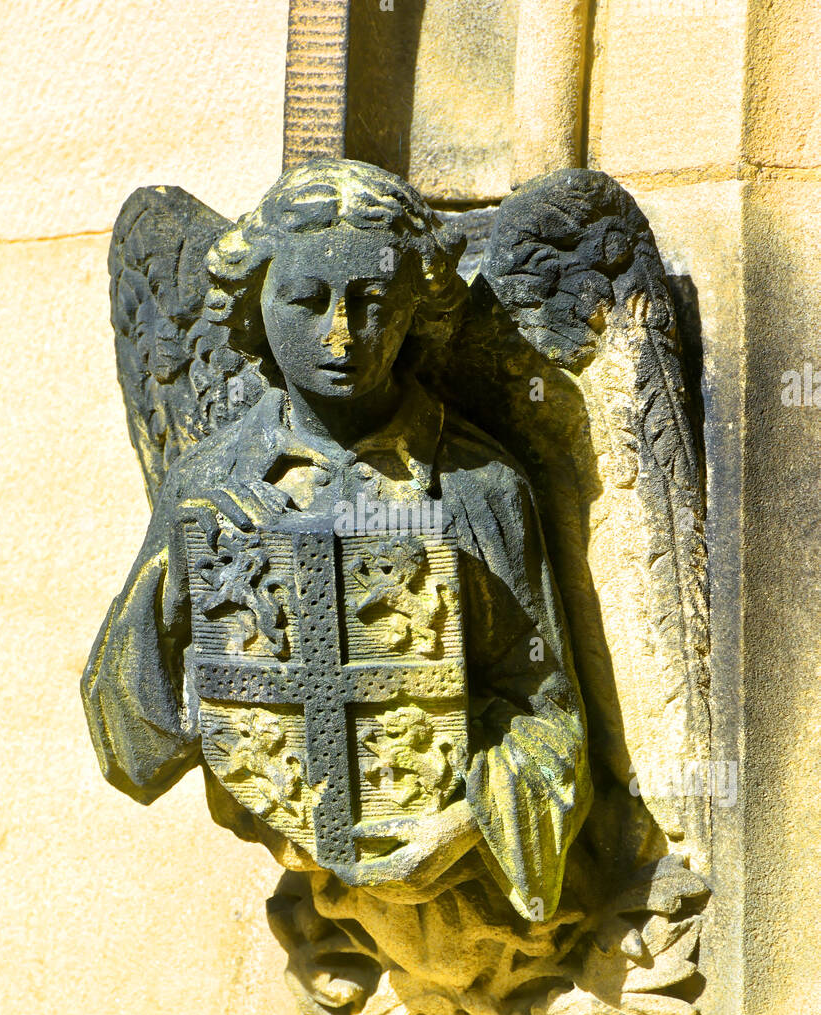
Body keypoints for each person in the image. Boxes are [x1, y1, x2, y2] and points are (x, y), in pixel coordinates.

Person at [82, 158, 592, 925]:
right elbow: (128, 732)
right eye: (306, 300)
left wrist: (465, 831)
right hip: (307, 888)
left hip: (461, 898)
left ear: (416, 307)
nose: (342, 335)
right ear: (256, 306)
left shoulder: (478, 485)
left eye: (373, 301)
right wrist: (184, 576)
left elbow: (547, 718)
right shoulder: (209, 481)